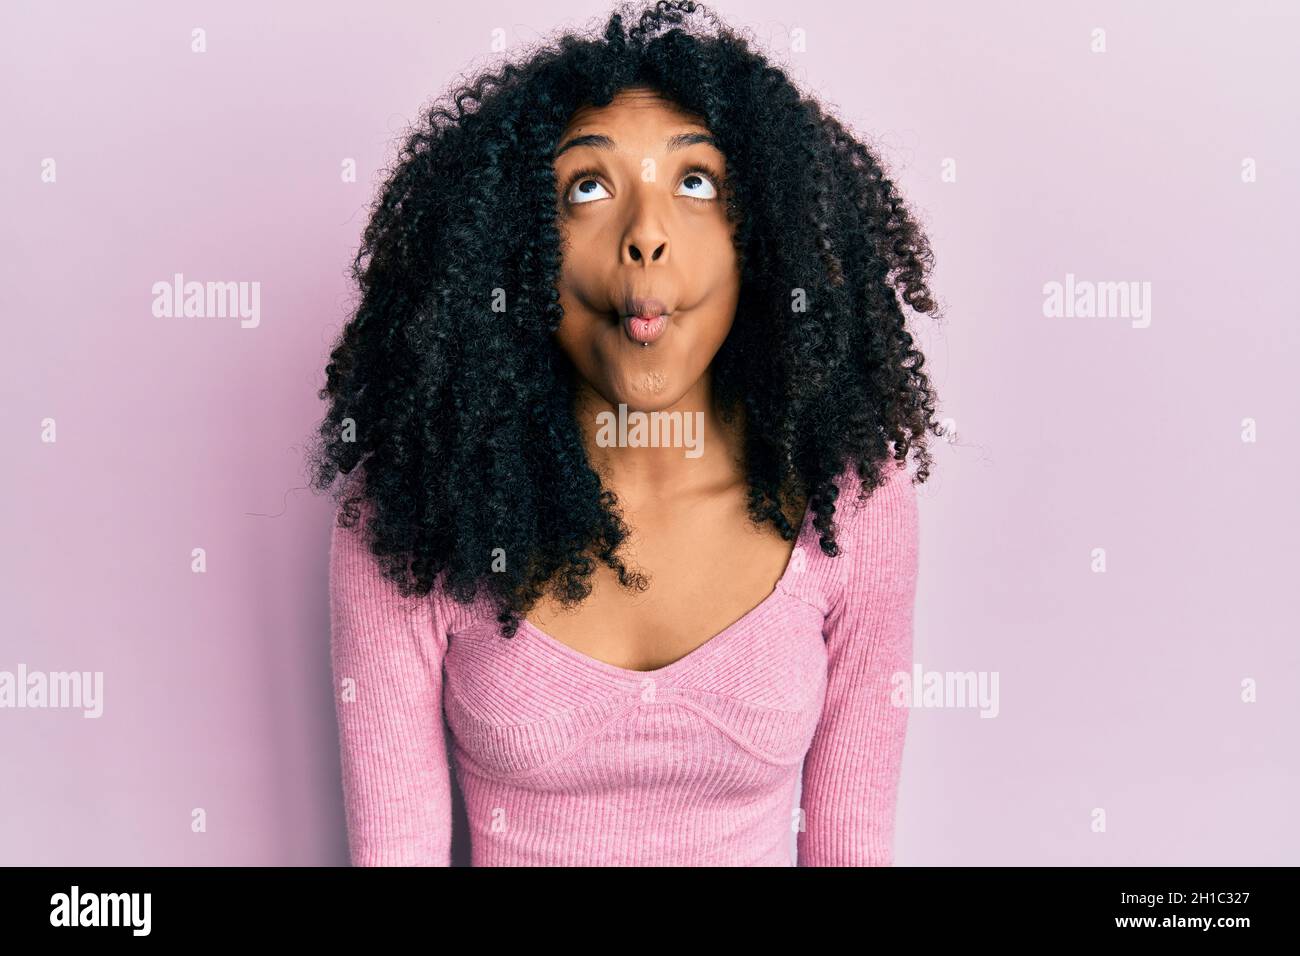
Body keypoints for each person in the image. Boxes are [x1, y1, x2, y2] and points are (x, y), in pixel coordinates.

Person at [310, 0, 944, 866]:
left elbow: (851, 849)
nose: (645, 235)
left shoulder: (852, 501)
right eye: (589, 188)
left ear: (758, 238)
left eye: (695, 184)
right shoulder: (417, 510)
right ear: (514, 248)